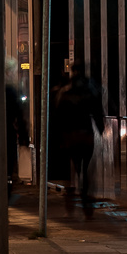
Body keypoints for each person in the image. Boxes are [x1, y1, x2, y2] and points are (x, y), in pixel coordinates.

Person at [54, 62, 105, 217]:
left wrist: (60, 136)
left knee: (74, 166)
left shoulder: (65, 91)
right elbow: (97, 110)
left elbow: (58, 116)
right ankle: (85, 196)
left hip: (70, 135)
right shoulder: (89, 90)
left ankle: (72, 190)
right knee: (86, 166)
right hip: (86, 133)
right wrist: (100, 128)